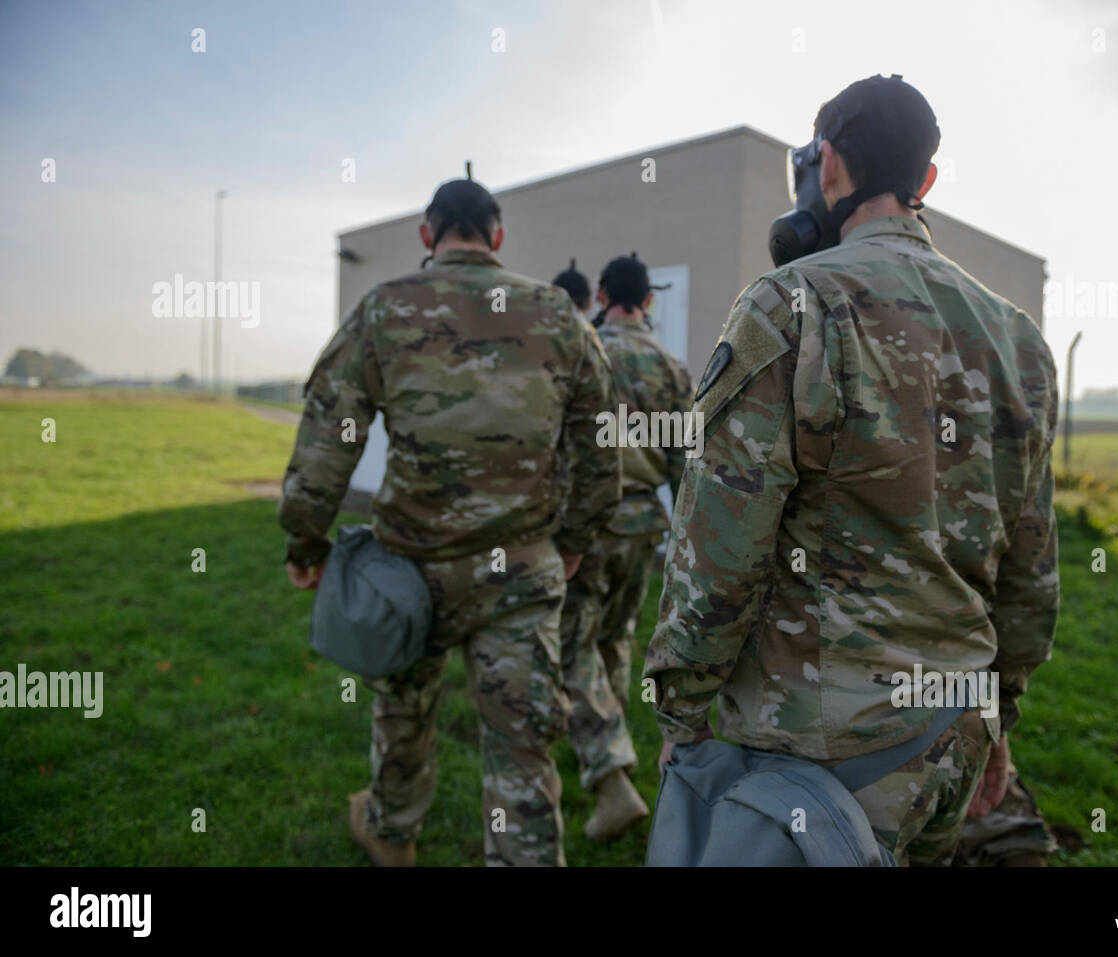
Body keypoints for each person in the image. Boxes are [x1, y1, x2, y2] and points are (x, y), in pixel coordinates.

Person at [642, 75, 1059, 866]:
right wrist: (998, 713)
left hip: (821, 752)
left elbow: (717, 549)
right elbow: (1031, 568)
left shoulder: (788, 303)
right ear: (925, 182)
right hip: (951, 730)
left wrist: (680, 714)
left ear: (827, 165)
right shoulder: (1019, 340)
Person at [278, 172, 621, 867]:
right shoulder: (558, 314)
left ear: (426, 235)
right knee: (520, 746)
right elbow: (601, 446)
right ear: (497, 236)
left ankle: (392, 834)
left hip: (409, 572)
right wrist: (576, 540)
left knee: (403, 718)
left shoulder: (385, 309)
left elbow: (328, 439)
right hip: (522, 571)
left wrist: (307, 538)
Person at [558, 253, 695, 842]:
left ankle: (610, 776)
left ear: (601, 294)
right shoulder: (671, 366)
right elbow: (686, 467)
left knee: (572, 646)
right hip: (644, 526)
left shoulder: (583, 349)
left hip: (589, 525)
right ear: (650, 300)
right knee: (613, 639)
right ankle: (606, 740)